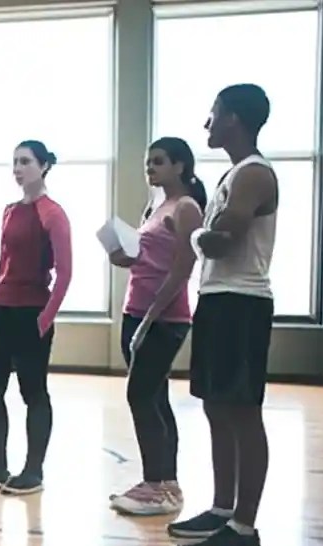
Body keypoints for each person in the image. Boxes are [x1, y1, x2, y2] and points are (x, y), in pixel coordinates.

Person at [168, 84, 277, 546]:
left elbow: (222, 240)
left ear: (233, 118)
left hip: (242, 303)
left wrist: (190, 232)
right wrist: (200, 235)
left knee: (242, 411)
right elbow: (213, 238)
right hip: (216, 299)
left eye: (213, 114)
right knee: (216, 406)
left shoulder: (253, 173)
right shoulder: (233, 174)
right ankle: (221, 509)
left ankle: (244, 528)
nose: (207, 123)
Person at [107, 137, 206, 516]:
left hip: (165, 318)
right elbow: (144, 259)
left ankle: (157, 486)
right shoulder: (154, 206)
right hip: (135, 310)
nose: (150, 167)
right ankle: (164, 484)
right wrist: (123, 256)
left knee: (141, 395)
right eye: (148, 161)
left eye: (159, 161)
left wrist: (150, 318)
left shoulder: (186, 208)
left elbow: (182, 270)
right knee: (155, 397)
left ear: (180, 166)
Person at [0, 140, 72, 496]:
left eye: (26, 162)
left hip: (31, 313)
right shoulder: (9, 211)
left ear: (44, 166)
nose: (18, 168)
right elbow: (2, 262)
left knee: (33, 392)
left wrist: (45, 319)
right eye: (15, 162)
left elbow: (65, 273)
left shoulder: (53, 214)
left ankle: (33, 471)